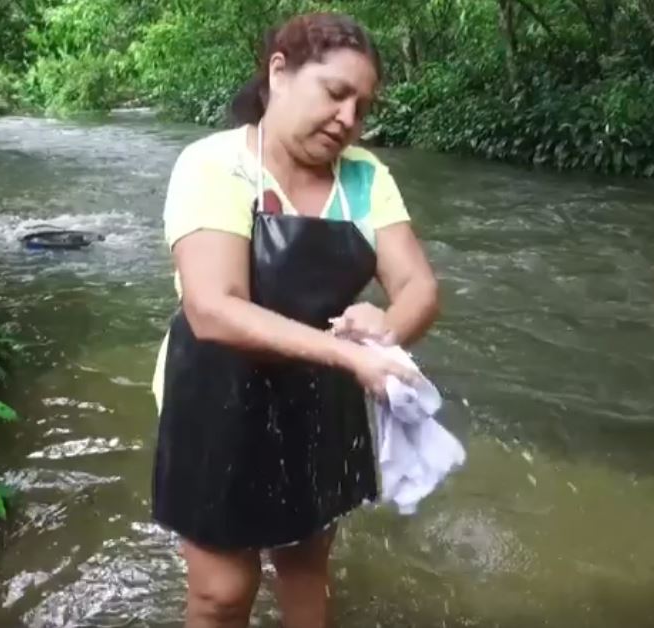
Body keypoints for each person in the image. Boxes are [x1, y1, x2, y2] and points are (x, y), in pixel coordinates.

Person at [149, 12, 439, 628]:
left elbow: (418, 285)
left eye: (361, 107)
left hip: (320, 395)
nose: (347, 119)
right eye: (335, 94)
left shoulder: (365, 178)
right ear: (279, 73)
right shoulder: (214, 165)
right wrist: (349, 356)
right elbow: (212, 307)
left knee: (306, 569)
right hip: (215, 394)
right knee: (221, 593)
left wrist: (387, 326)